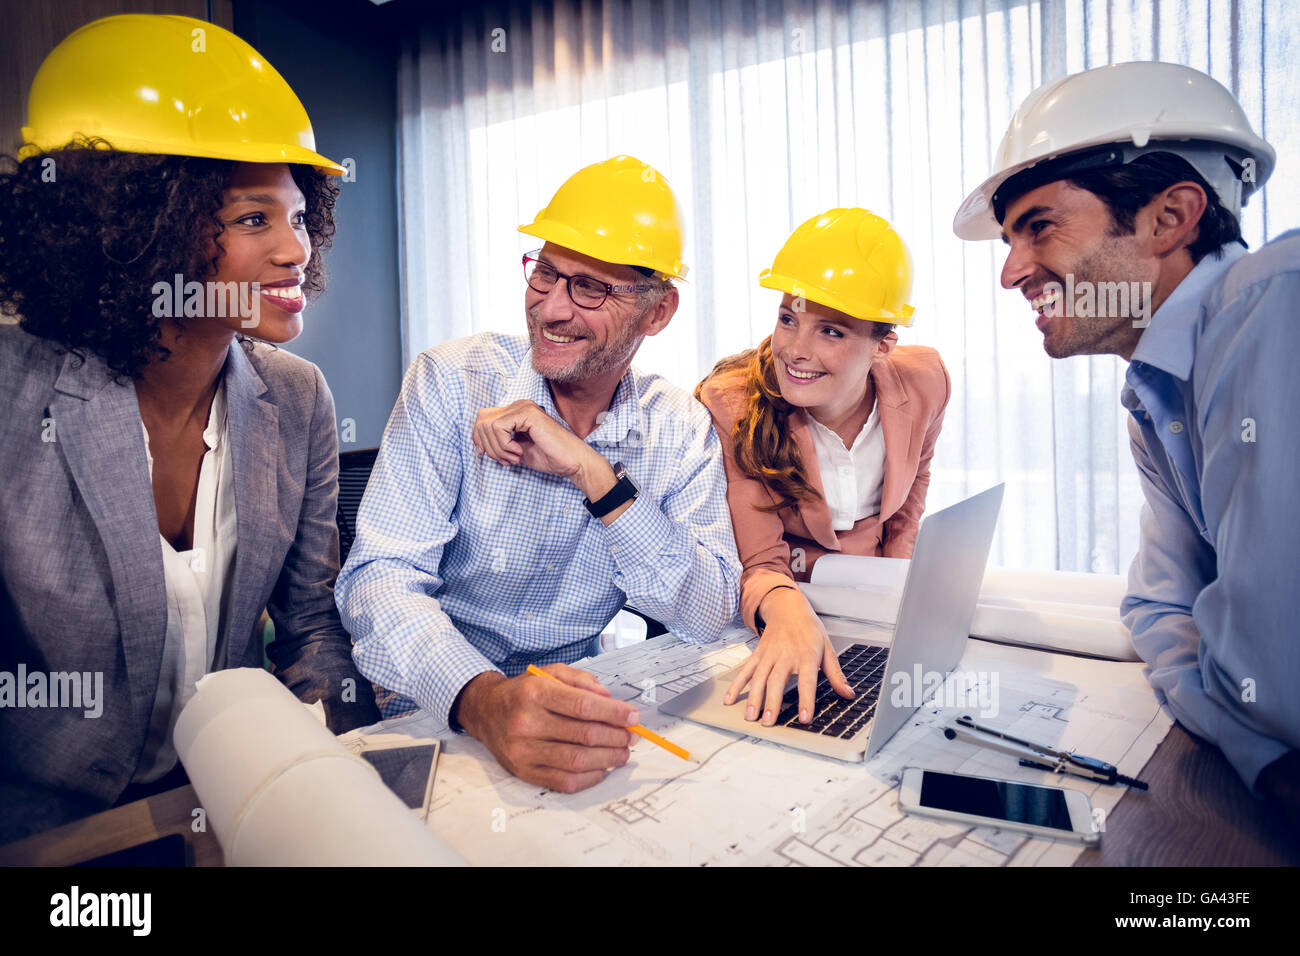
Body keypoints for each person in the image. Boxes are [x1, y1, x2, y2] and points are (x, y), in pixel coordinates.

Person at [0, 14, 378, 843]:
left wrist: (344, 771)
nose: (295, 251)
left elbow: (312, 627)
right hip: (39, 828)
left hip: (225, 800)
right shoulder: (12, 393)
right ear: (136, 231)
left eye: (298, 217)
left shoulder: (299, 397)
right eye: (253, 220)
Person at [953, 60, 1299, 822]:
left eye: (1039, 226)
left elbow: (1274, 688)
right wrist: (1248, 731)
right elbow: (1158, 600)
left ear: (1170, 218)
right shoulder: (1154, 390)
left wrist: (1249, 717)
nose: (1011, 273)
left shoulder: (1274, 303)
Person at [337, 155, 742, 795]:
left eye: (590, 287)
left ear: (658, 312)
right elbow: (378, 580)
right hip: (435, 699)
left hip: (576, 697)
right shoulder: (450, 381)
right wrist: (482, 698)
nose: (551, 308)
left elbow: (708, 613)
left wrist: (594, 474)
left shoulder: (677, 425)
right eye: (546, 272)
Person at [695, 208, 949, 729]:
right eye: (788, 318)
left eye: (830, 331)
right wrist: (789, 608)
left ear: (883, 345)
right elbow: (760, 560)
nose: (794, 350)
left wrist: (898, 587)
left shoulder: (927, 380)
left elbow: (913, 489)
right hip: (785, 598)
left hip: (873, 605)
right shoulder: (732, 402)